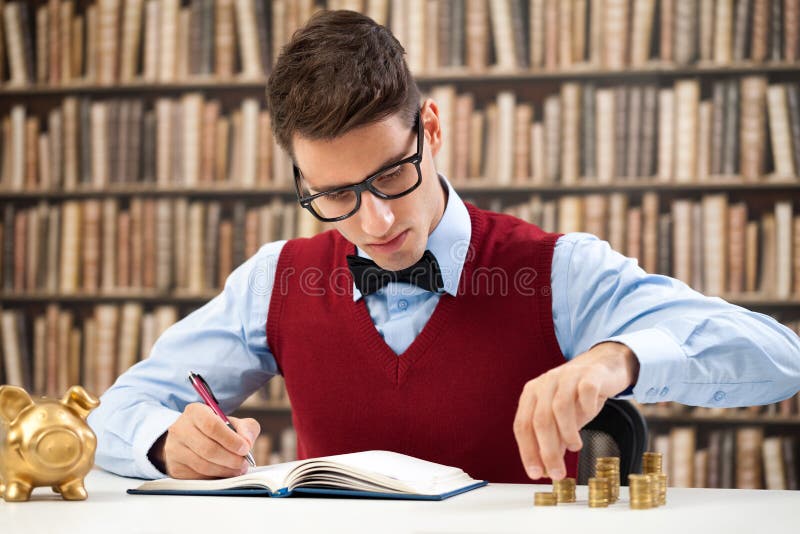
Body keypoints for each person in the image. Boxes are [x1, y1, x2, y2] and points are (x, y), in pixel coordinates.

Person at [88, 10, 800, 483]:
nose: (371, 223)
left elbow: (781, 360)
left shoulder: (559, 270)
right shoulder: (276, 278)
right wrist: (163, 442)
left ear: (430, 129)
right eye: (334, 196)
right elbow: (118, 408)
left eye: (391, 175)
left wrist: (622, 356)